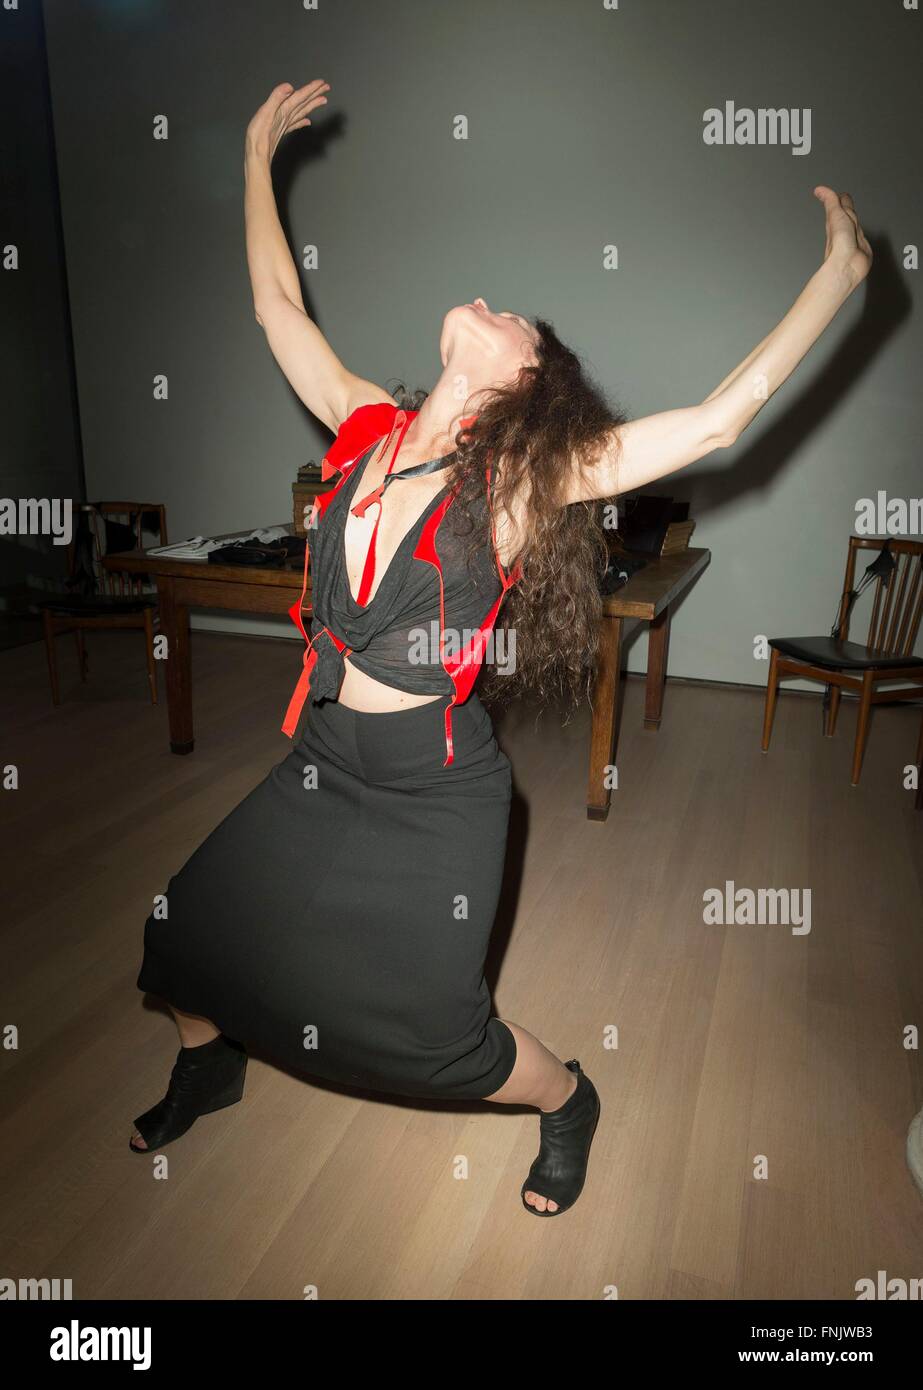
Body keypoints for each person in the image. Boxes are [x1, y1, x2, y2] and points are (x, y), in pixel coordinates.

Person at [129, 80, 872, 1218]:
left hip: (435, 791)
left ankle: (567, 1097)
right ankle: (209, 1061)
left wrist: (836, 278)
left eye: (510, 313)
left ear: (528, 380)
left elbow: (718, 421)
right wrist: (249, 159)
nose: (483, 298)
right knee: (182, 933)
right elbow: (279, 308)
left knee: (437, 1035)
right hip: (323, 757)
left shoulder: (520, 482)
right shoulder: (367, 429)